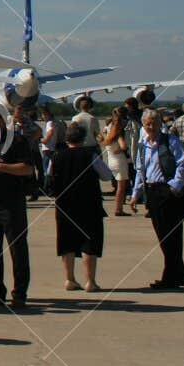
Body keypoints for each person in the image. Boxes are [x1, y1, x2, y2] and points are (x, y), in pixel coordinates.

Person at [0, 104, 35, 310]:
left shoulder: (17, 141)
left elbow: (27, 169)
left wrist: (1, 167)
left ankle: (19, 293)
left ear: (2, 121)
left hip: (12, 202)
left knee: (17, 249)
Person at [132, 108, 184, 289]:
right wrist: (136, 194)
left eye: (154, 123)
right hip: (152, 192)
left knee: (171, 235)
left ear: (160, 124)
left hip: (166, 191)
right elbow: (139, 171)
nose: (151, 126)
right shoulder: (143, 145)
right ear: (143, 124)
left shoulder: (170, 141)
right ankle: (177, 275)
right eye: (148, 123)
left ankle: (171, 277)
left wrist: (175, 186)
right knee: (163, 236)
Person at [49, 122, 111, 291]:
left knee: (66, 241)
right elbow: (106, 176)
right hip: (89, 203)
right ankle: (90, 281)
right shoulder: (90, 155)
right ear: (83, 138)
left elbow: (50, 180)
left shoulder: (57, 156)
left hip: (64, 205)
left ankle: (69, 279)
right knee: (89, 241)